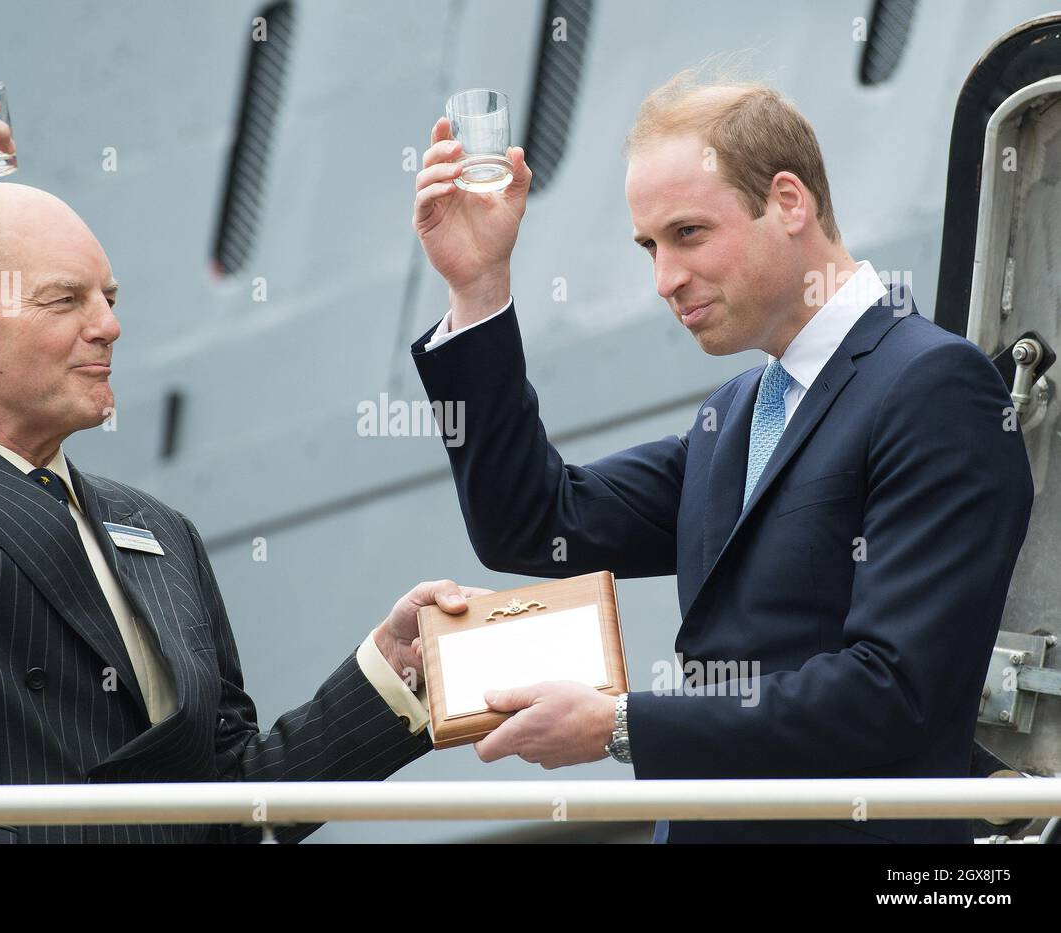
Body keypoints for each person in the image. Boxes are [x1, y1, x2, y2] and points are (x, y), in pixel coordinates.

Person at [0, 91, 485, 843]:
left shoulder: (161, 533)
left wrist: (389, 676)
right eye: (64, 300)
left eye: (108, 297)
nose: (109, 326)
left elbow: (232, 805)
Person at [407, 69, 1035, 843]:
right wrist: (478, 289)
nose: (665, 279)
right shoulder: (733, 416)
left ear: (788, 201)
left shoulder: (934, 386)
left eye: (688, 234)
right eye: (649, 246)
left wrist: (622, 724)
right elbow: (536, 523)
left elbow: (894, 694)